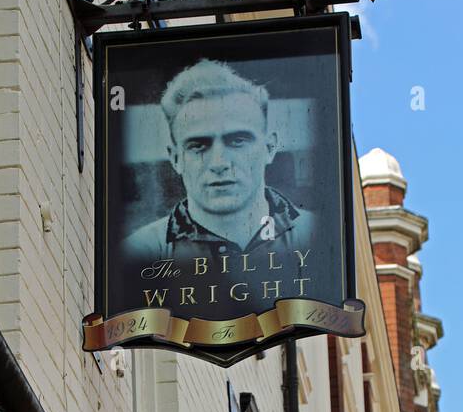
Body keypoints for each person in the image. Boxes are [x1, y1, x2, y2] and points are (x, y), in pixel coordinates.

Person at [121, 59, 317, 275]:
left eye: (238, 141)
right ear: (176, 158)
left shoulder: (316, 234)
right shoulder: (140, 250)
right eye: (198, 146)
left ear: (269, 148)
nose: (219, 163)